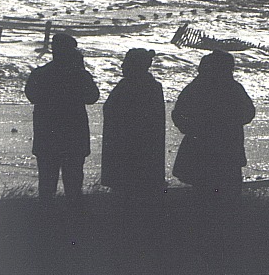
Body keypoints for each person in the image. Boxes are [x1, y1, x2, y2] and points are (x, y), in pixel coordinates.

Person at [25, 32, 100, 202]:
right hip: (73, 135)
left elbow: (31, 95)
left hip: (47, 135)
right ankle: (73, 220)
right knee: (73, 184)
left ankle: (46, 220)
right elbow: (92, 97)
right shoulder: (79, 74)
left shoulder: (41, 73)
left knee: (46, 183)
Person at [171, 50, 255, 197]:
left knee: (204, 193)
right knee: (227, 195)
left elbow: (178, 114)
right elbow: (248, 113)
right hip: (227, 148)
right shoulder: (233, 88)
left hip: (203, 149)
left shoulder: (197, 87)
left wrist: (190, 128)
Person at [101, 48, 167, 198]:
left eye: (126, 62)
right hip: (145, 148)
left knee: (129, 189)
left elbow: (112, 110)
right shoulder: (153, 86)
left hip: (128, 145)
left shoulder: (127, 86)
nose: (122, 66)